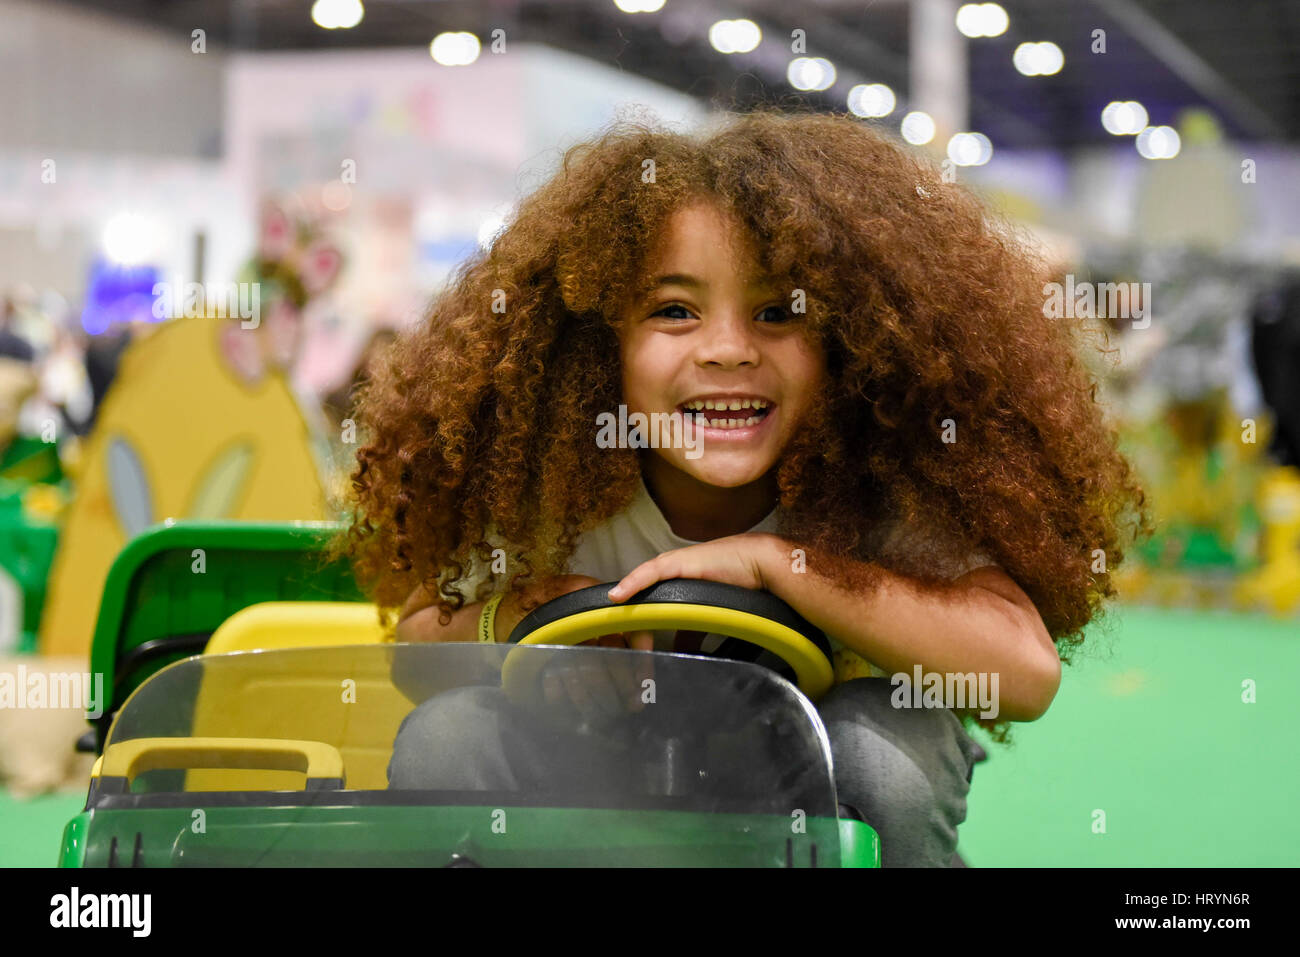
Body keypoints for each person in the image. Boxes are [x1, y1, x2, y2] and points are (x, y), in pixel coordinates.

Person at [339, 108, 1148, 866]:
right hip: (602, 769)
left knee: (882, 753)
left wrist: (783, 565)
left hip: (812, 777)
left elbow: (1023, 675)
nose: (727, 349)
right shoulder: (560, 490)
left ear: (850, 342)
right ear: (597, 343)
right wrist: (523, 618)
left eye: (777, 313)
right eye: (674, 311)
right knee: (449, 733)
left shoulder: (872, 492)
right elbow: (416, 657)